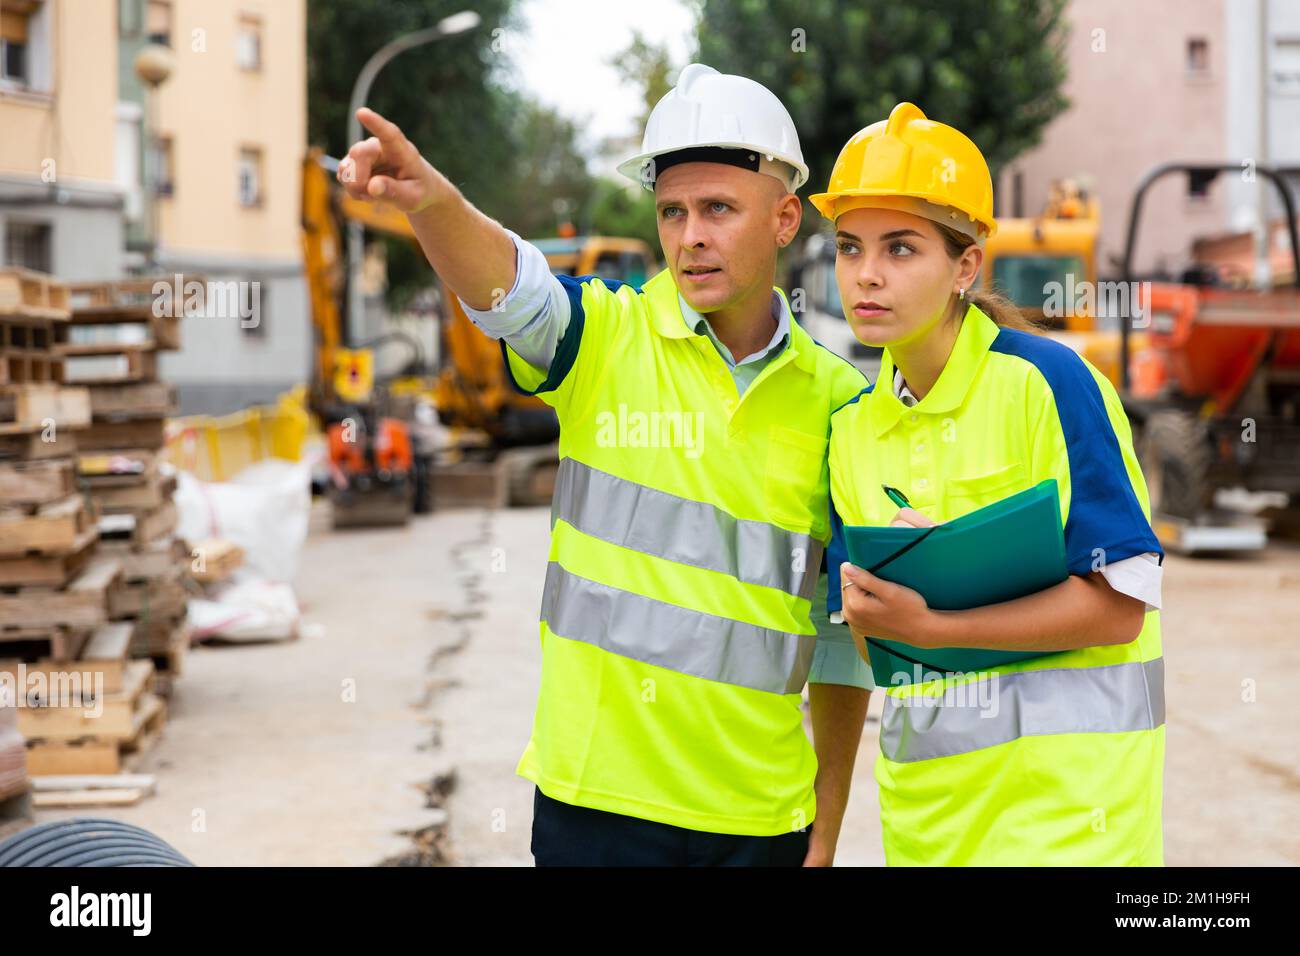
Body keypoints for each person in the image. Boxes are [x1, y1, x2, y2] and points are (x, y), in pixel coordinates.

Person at [338, 64, 873, 866]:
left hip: (763, 820)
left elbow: (838, 641)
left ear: (786, 217)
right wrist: (435, 205)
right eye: (672, 212)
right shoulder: (602, 338)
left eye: (718, 209)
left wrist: (825, 828)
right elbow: (510, 290)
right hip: (597, 808)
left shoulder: (840, 402)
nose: (691, 235)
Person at [813, 103, 1166, 865]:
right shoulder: (849, 432)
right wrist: (883, 614)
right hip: (926, 832)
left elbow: (1119, 610)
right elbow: (874, 655)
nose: (866, 274)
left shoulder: (1050, 384)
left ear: (965, 266)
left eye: (901, 248)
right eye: (849, 247)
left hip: (1070, 827)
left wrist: (935, 621)